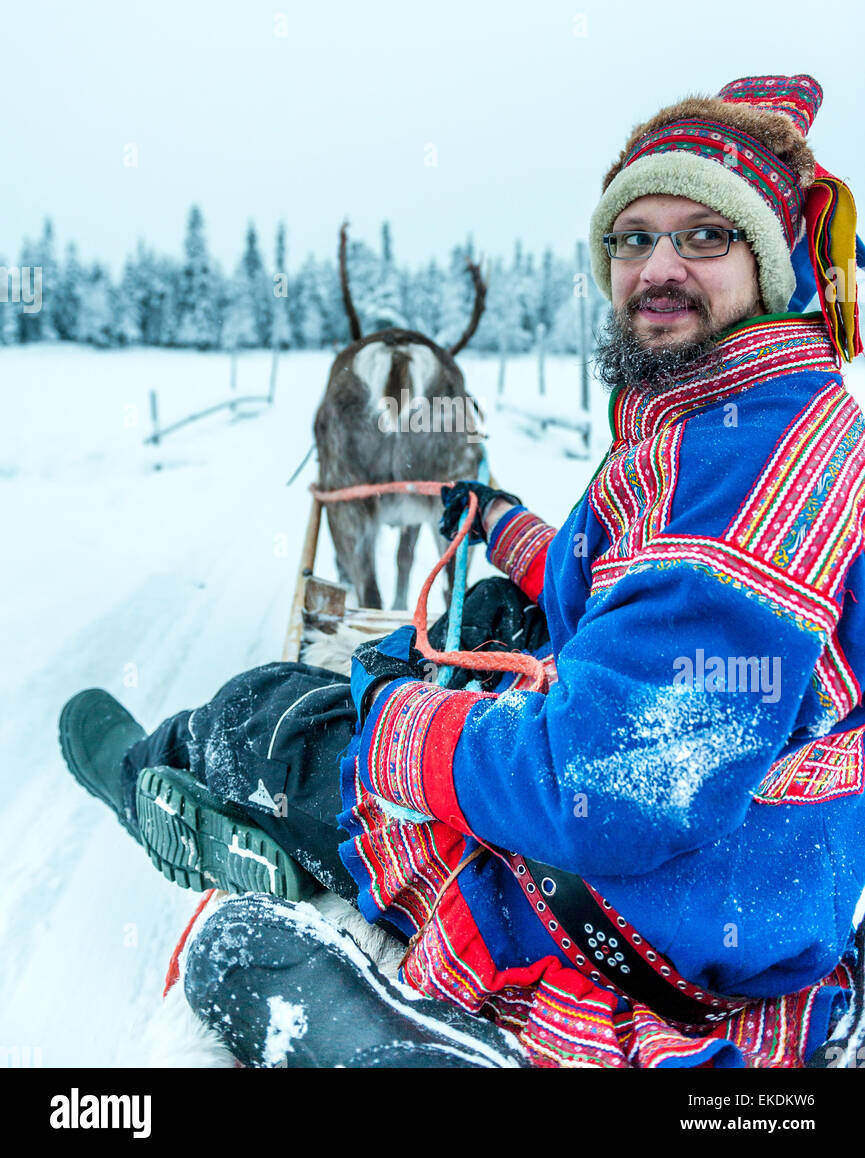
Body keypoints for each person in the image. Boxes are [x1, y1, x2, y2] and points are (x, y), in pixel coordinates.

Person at [61, 73, 865, 1068]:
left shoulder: (749, 476)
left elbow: (603, 786)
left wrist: (397, 726)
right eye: (633, 236)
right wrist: (506, 526)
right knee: (490, 609)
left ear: (770, 265)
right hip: (755, 885)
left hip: (644, 919)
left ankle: (182, 771)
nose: (659, 265)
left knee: (280, 720)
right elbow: (615, 579)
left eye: (705, 235)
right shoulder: (741, 412)